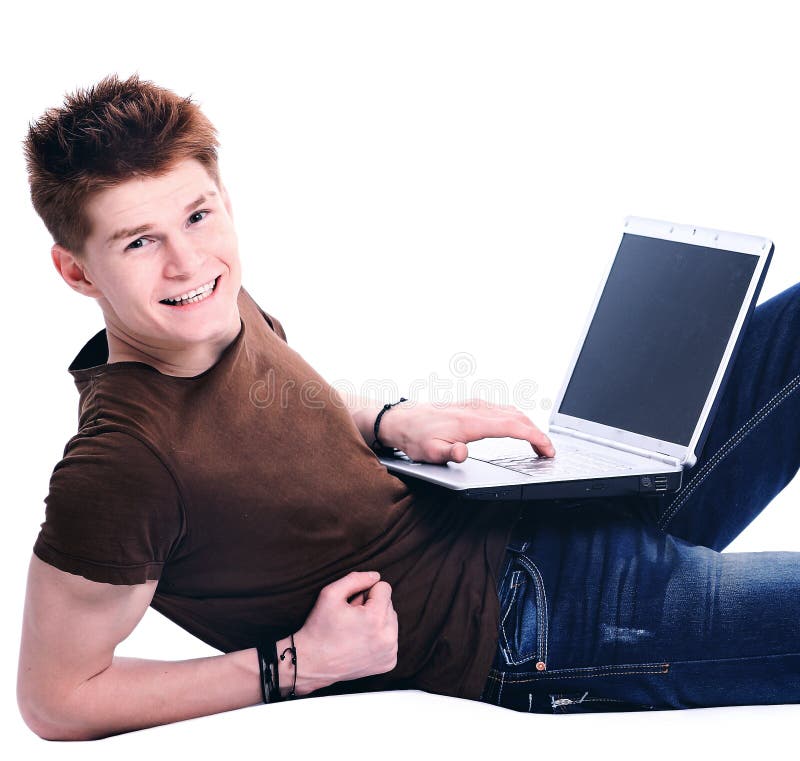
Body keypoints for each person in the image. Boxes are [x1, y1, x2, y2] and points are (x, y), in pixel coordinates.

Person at [16, 73, 800, 740]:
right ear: (76, 270)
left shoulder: (214, 306)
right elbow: (54, 697)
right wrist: (292, 665)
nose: (189, 260)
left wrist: (391, 421)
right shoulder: (119, 467)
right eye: (138, 242)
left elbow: (271, 406)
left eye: (197, 214)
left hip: (533, 507)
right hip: (546, 621)